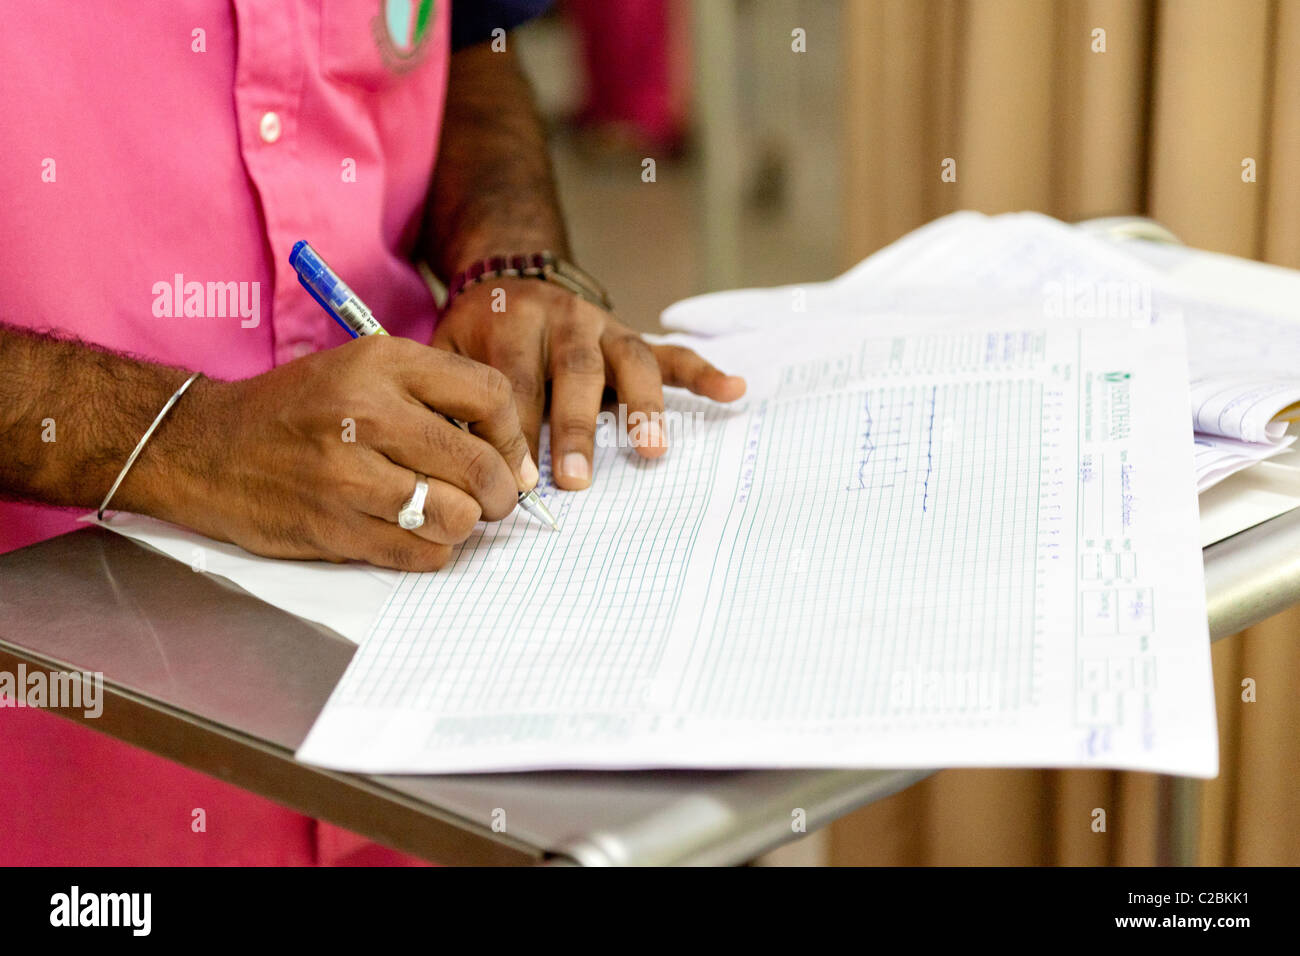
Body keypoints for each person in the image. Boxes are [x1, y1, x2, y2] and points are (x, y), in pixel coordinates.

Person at [0, 0, 743, 865]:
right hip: (79, 778)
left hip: (433, 759)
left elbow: (471, 40)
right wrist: (183, 440)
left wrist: (510, 259)